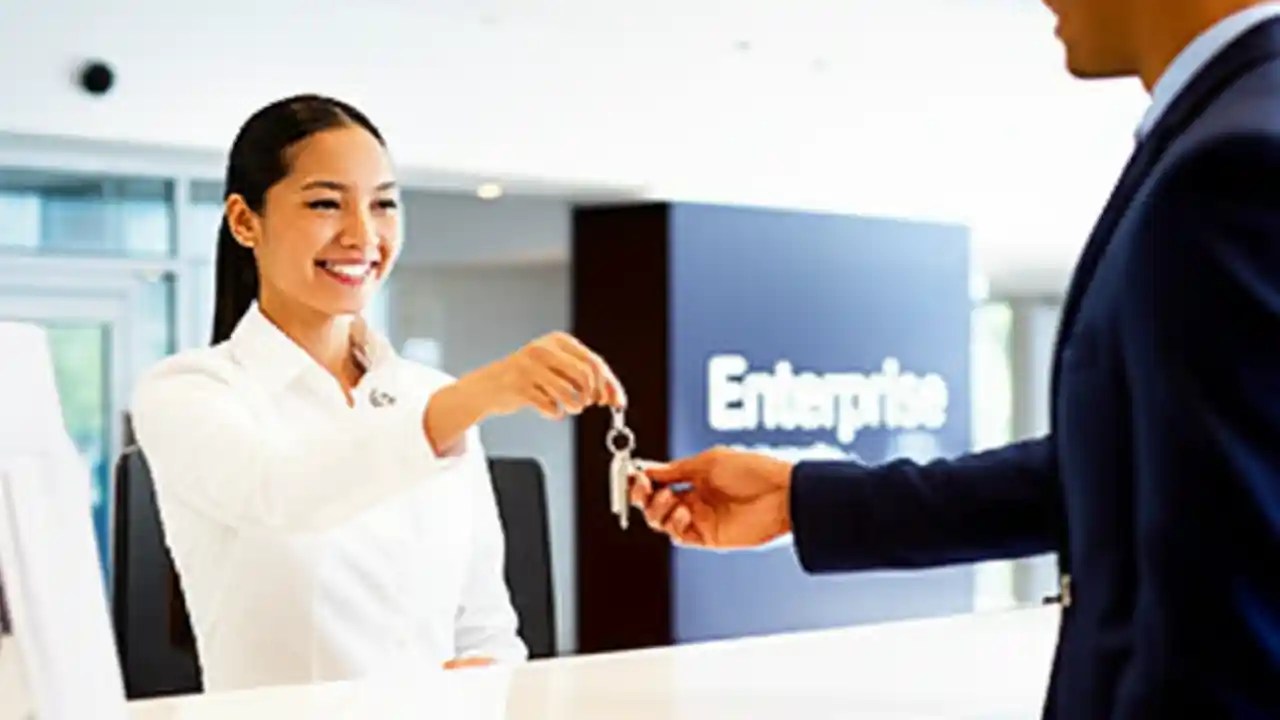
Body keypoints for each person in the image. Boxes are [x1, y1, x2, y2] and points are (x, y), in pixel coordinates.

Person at [631, 1, 1280, 717]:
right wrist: (799, 499)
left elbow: (1233, 607)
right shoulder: (1232, 127)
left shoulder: (1235, 163)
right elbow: (1125, 469)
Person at [130, 94, 626, 693]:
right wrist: (472, 398)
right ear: (244, 222)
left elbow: (487, 628)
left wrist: (489, 678)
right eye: (324, 203)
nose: (363, 235)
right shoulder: (190, 391)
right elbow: (283, 492)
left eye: (384, 204)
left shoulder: (432, 395)